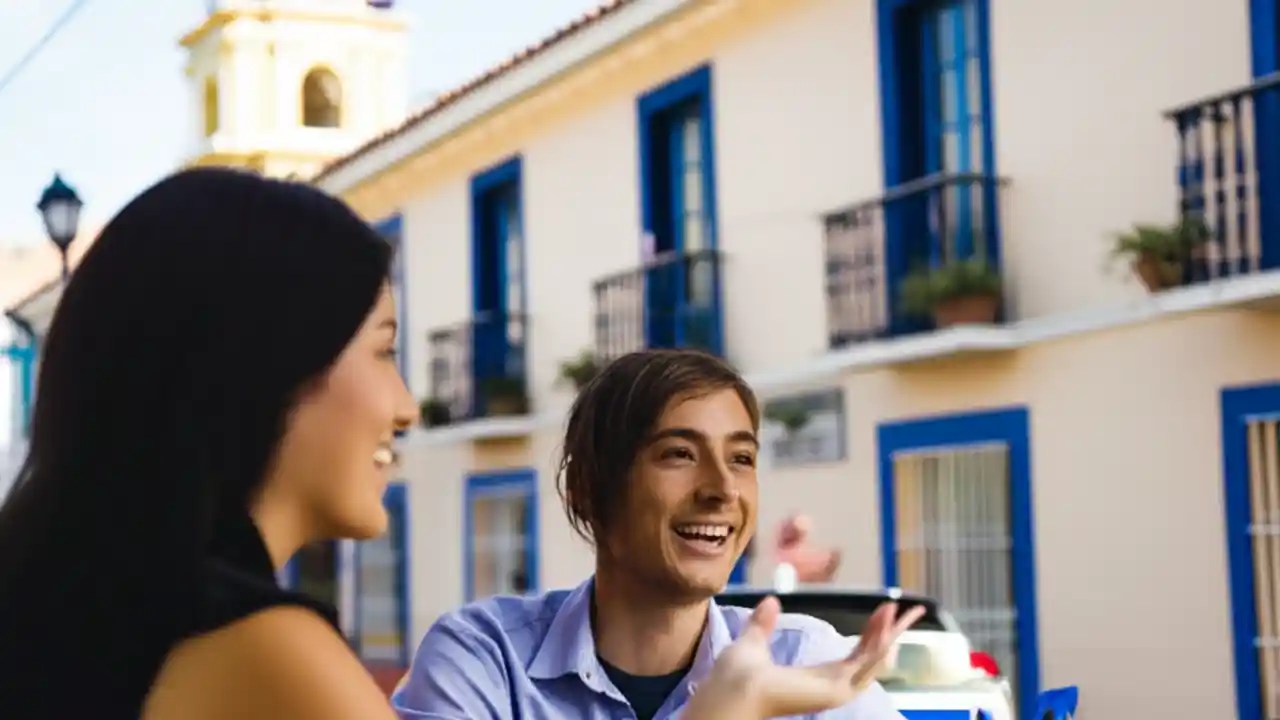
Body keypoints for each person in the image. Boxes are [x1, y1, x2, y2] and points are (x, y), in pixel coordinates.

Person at [0, 168, 912, 720]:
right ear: (262, 368)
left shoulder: (105, 605)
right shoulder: (261, 650)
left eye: (741, 454)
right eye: (384, 353)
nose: (404, 407)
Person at [393, 349, 922, 719]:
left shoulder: (804, 659)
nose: (722, 489)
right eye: (679, 454)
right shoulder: (484, 660)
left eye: (741, 458)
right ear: (586, 487)